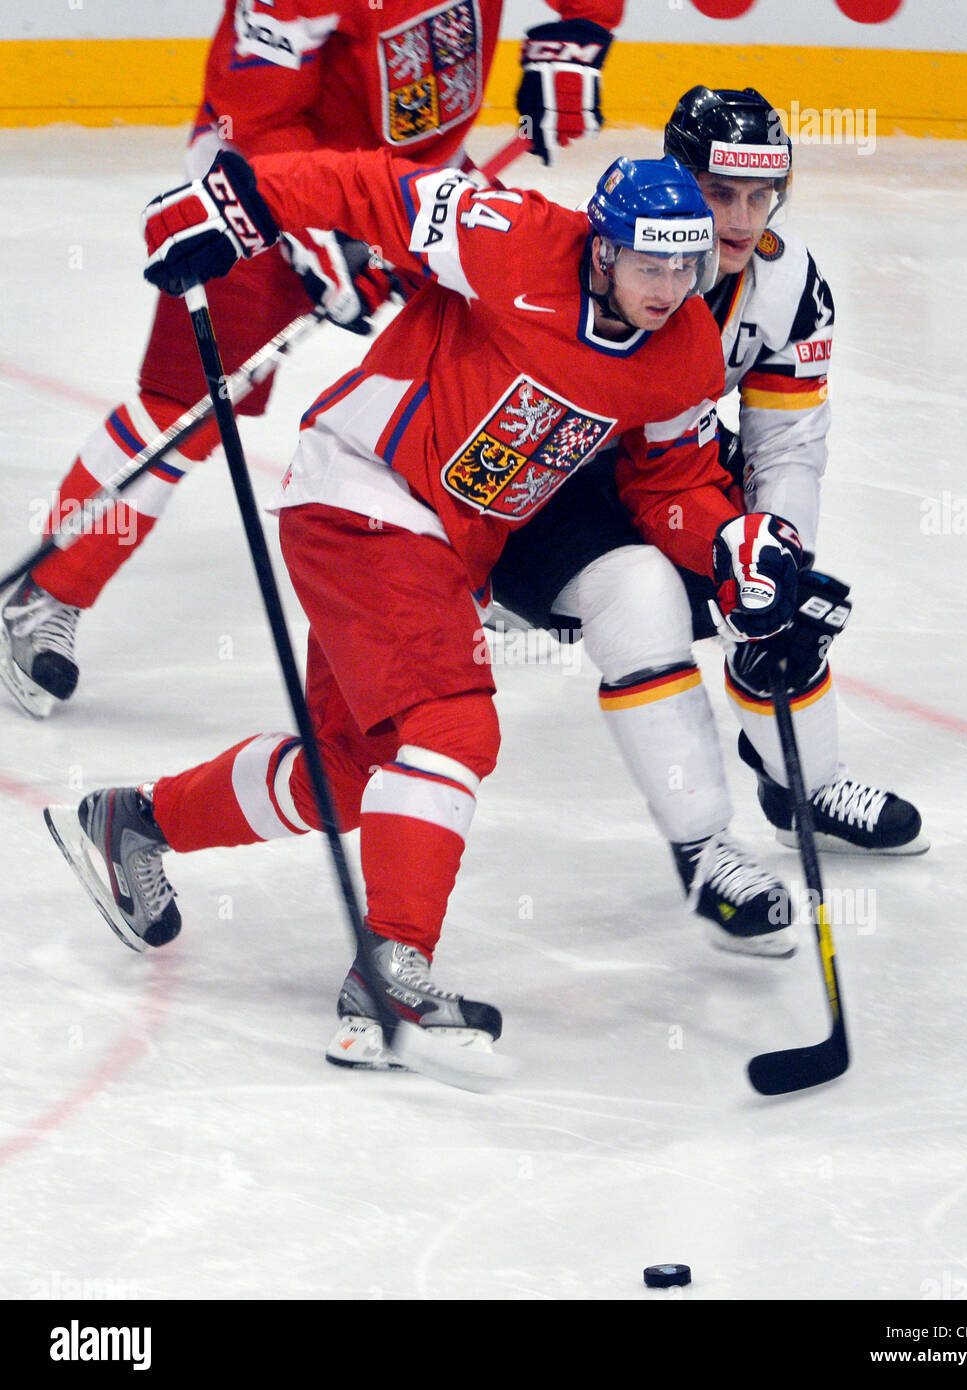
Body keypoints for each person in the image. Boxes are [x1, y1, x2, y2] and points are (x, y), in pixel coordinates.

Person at [46, 143, 793, 1071]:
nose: (668, 286)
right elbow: (372, 188)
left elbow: (670, 479)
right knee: (451, 725)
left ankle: (136, 822)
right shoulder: (511, 236)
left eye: (684, 267)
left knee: (356, 769)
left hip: (443, 549)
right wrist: (240, 202)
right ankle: (393, 966)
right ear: (601, 250)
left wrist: (730, 544)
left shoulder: (681, 351)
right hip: (365, 492)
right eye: (648, 262)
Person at [0, 0, 623, 718]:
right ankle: (49, 589)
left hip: (420, 186)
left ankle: (476, 581)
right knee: (190, 405)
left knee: (506, 347)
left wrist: (575, 37)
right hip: (254, 188)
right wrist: (324, 239)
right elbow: (255, 117)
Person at [489, 85, 927, 959]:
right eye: (719, 192)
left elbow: (786, 447)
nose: (739, 218)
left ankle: (803, 782)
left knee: (777, 603)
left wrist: (774, 556)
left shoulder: (789, 285)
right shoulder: (608, 252)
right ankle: (702, 848)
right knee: (641, 603)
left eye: (760, 195)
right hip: (549, 479)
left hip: (675, 467)